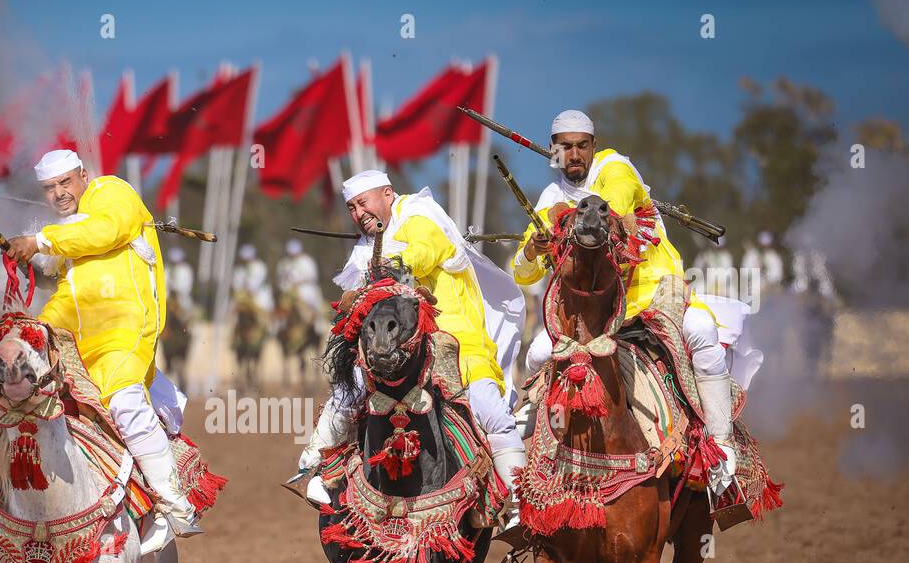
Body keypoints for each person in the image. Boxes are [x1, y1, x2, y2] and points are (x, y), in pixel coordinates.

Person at [511, 110, 738, 496]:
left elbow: (608, 209)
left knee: (700, 331)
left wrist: (566, 220)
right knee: (537, 353)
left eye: (582, 145)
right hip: (593, 313)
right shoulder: (550, 198)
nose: (575, 154)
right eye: (565, 147)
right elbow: (522, 272)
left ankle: (721, 449)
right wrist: (534, 248)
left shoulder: (616, 168)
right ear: (553, 152)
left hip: (650, 294)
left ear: (594, 147)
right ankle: (526, 461)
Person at [299, 169, 526, 538]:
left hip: (453, 341)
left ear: (388, 195)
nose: (358, 213)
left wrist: (389, 265)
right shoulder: (365, 248)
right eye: (351, 207)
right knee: (349, 383)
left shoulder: (421, 216)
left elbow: (422, 252)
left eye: (363, 202)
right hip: (395, 349)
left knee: (490, 408)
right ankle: (319, 469)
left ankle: (515, 504)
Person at [4, 149, 197, 553]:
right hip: (85, 342)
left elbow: (106, 231)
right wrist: (36, 328)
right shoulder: (68, 232)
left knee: (125, 403)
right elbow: (68, 297)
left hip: (127, 327)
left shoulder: (111, 192)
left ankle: (173, 505)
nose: (58, 194)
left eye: (65, 183)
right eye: (49, 188)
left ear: (84, 176)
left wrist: (38, 241)